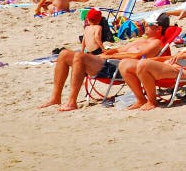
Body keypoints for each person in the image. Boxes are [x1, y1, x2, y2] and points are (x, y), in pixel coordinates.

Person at [38, 13, 169, 111]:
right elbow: (120, 48)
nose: (145, 26)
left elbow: (137, 56)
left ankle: (72, 102)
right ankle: (55, 98)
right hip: (111, 62)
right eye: (146, 23)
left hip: (119, 68)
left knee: (79, 56)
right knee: (64, 54)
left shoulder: (156, 43)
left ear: (158, 29)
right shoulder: (141, 40)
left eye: (149, 25)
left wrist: (111, 56)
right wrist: (108, 52)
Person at [121, 13, 186, 110]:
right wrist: (154, 59)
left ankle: (152, 102)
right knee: (125, 64)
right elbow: (174, 57)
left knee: (143, 65)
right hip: (170, 66)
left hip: (184, 71)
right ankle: (141, 100)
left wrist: (185, 55)